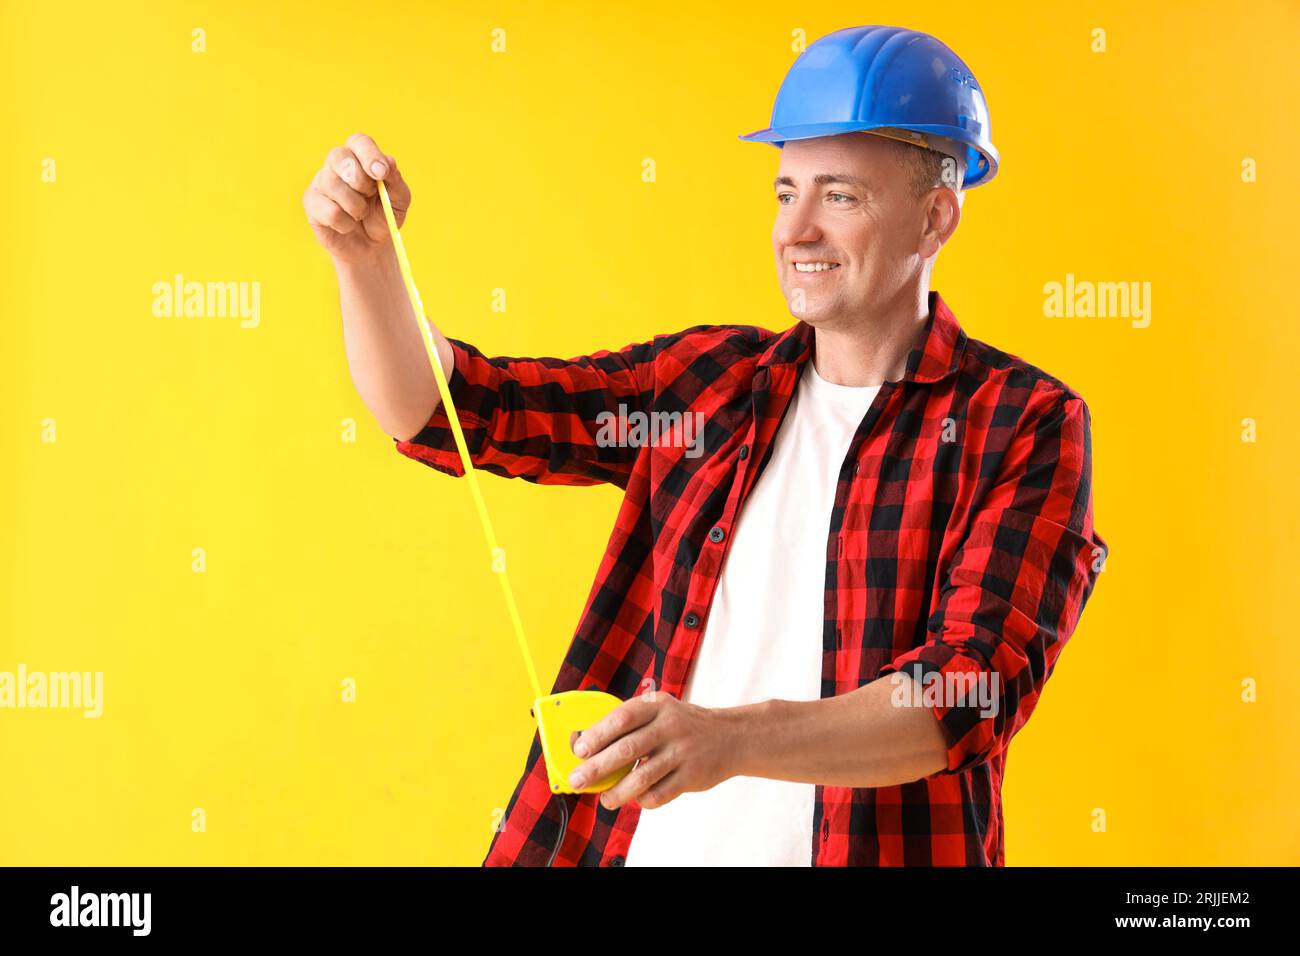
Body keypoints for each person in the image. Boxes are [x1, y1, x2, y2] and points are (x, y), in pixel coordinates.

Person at [302, 25, 1107, 866]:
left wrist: (731, 738)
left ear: (935, 216)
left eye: (839, 197)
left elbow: (965, 694)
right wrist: (365, 263)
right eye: (784, 192)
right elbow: (450, 410)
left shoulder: (1022, 423)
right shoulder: (702, 387)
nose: (795, 231)